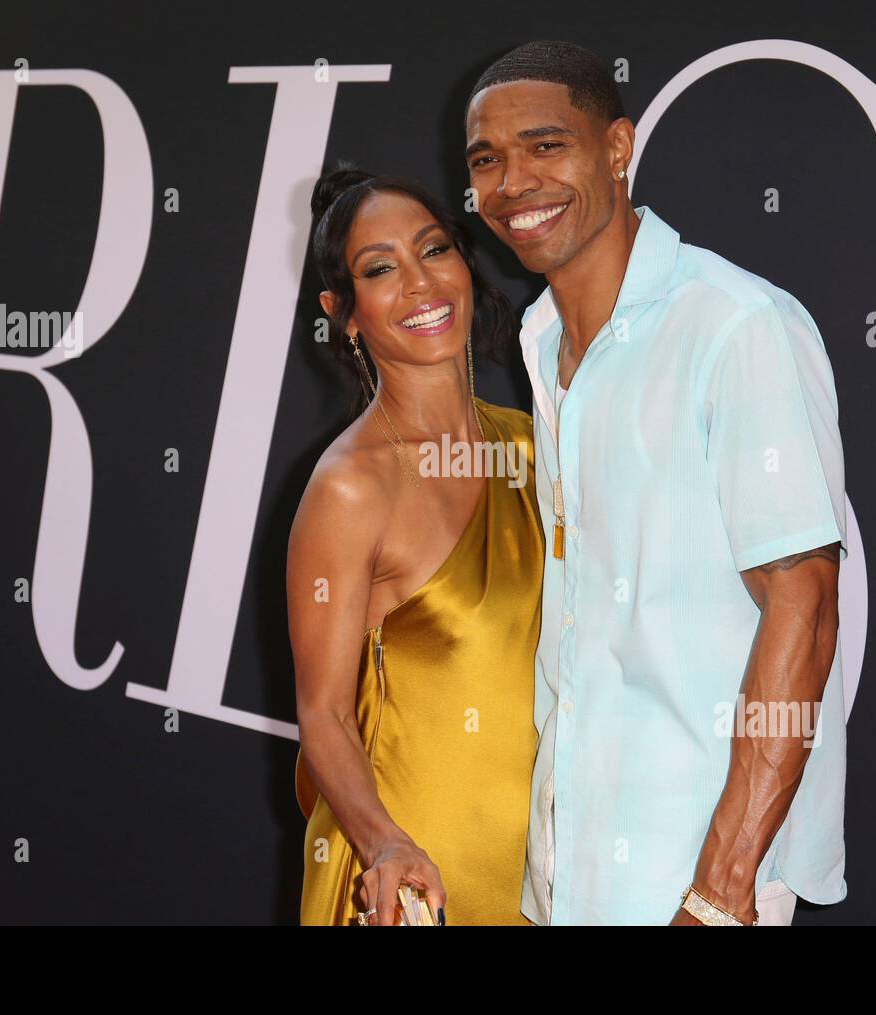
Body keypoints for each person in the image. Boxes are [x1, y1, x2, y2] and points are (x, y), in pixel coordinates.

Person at [464, 40, 850, 926]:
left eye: (545, 145)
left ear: (617, 147)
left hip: (698, 875)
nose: (513, 181)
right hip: (570, 869)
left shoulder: (733, 324)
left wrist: (720, 889)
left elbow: (807, 604)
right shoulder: (536, 338)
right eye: (487, 160)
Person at [287, 167, 543, 926]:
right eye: (379, 269)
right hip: (413, 881)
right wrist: (387, 845)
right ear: (346, 314)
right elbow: (324, 713)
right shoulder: (350, 488)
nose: (420, 285)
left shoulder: (531, 447)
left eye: (433, 250)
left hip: (546, 868)